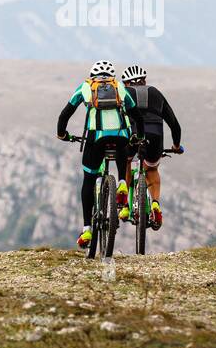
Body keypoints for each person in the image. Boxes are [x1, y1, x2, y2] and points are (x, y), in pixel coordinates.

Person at [56, 60, 143, 249]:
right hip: (121, 138)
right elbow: (136, 114)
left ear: (92, 75)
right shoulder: (119, 87)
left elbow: (65, 114)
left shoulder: (86, 87)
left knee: (88, 179)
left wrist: (62, 134)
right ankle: (121, 183)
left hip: (95, 139)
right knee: (122, 145)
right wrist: (140, 136)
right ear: (111, 75)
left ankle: (87, 228)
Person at [119, 64, 182, 230]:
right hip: (155, 136)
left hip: (132, 135)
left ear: (125, 84)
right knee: (152, 170)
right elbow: (175, 125)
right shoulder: (155, 93)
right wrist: (176, 145)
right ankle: (155, 205)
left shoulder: (124, 94)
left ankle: (125, 206)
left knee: (125, 162)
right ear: (145, 81)